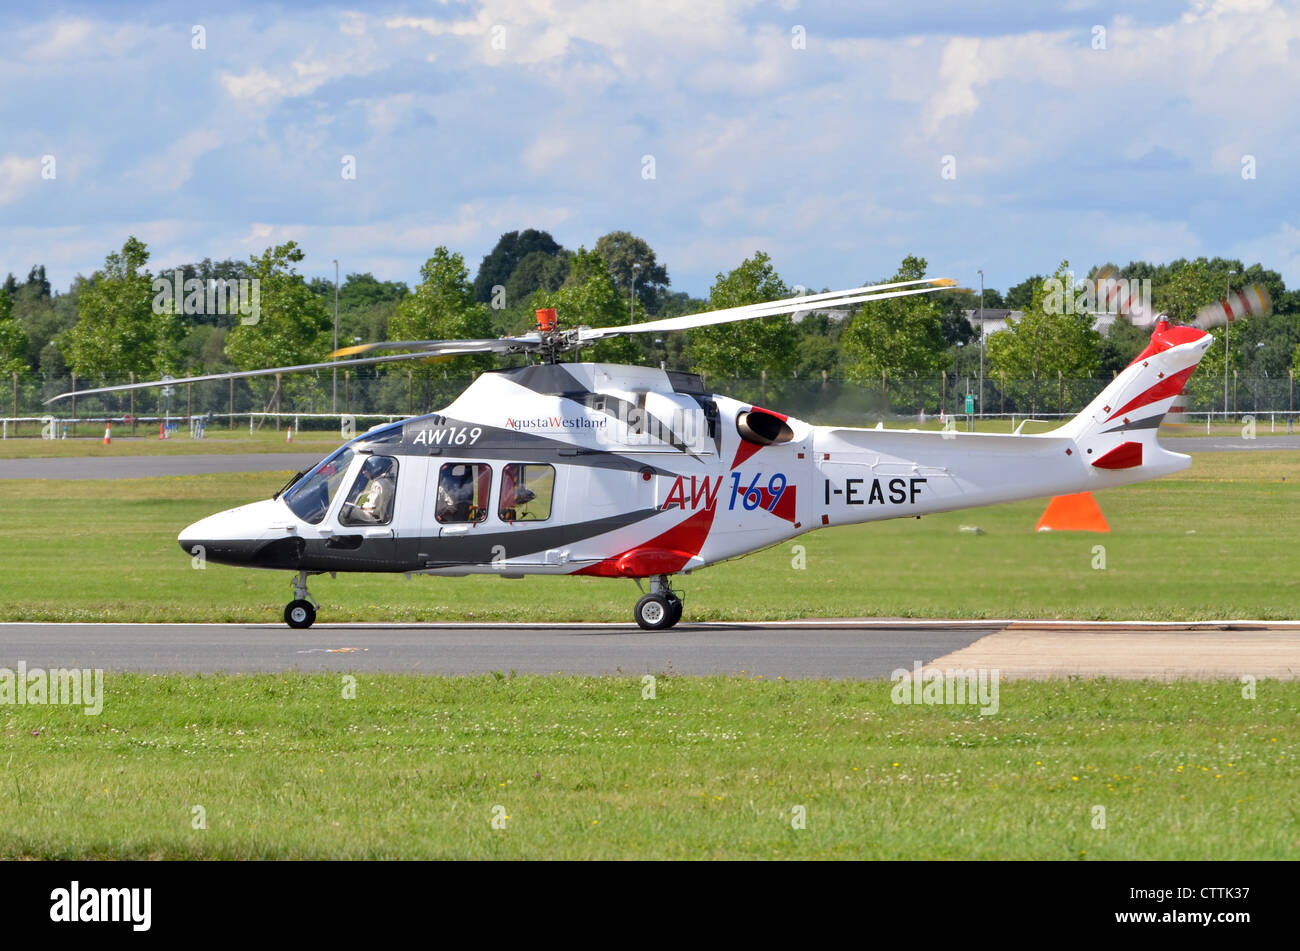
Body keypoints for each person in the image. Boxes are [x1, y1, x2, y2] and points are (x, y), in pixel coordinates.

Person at [348, 457, 396, 524]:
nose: (364, 472)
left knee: (349, 512)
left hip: (376, 520)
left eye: (367, 469)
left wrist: (362, 506)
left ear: (376, 469)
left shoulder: (380, 484)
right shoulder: (386, 481)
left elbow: (373, 509)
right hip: (379, 517)